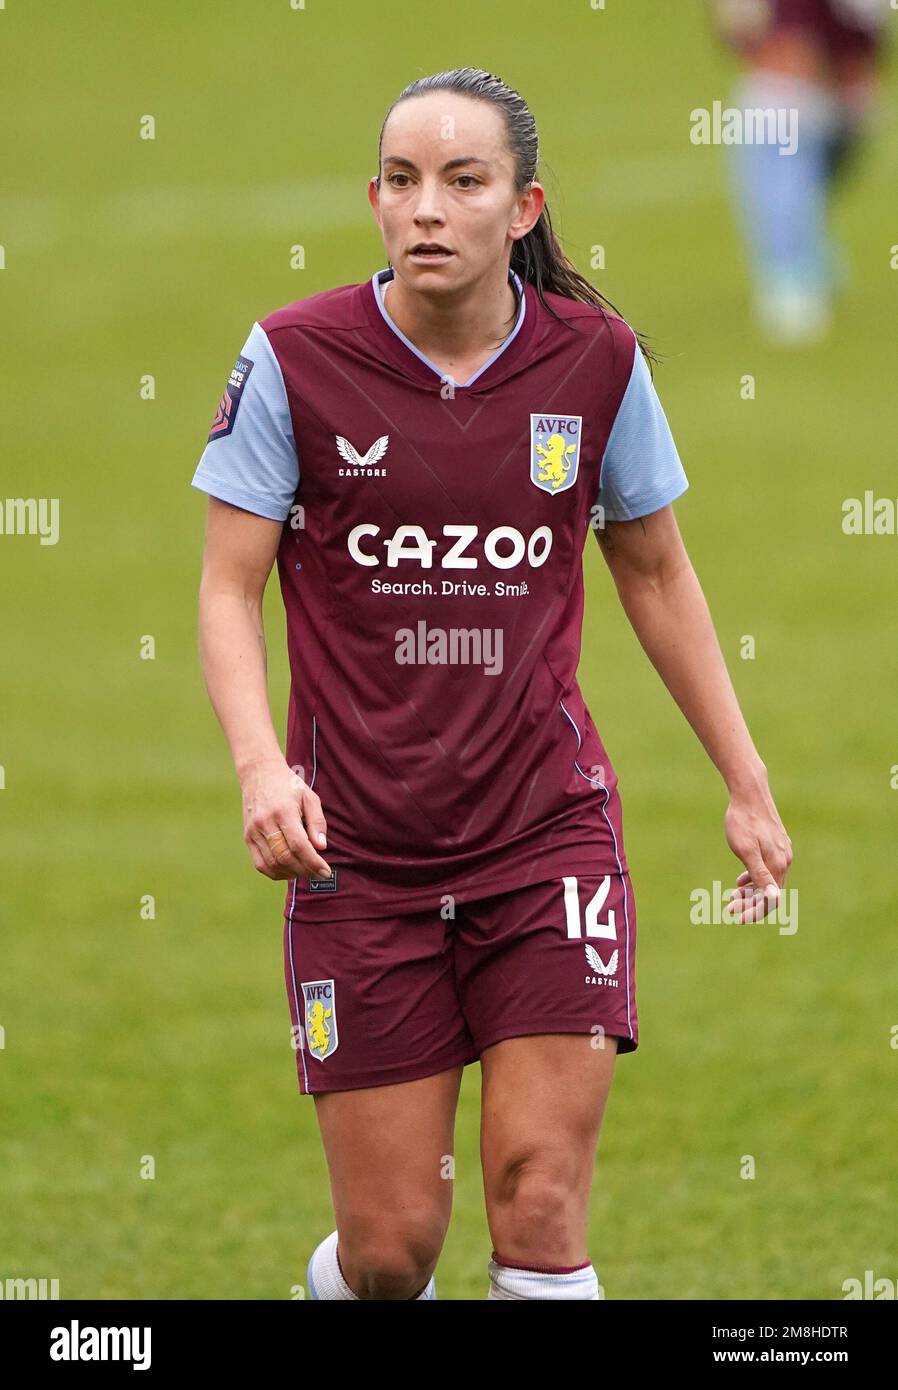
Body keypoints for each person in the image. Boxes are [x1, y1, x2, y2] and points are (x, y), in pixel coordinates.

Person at [191, 67, 792, 1301]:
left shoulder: (596, 364)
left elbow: (657, 571)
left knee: (538, 1195)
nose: (427, 208)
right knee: (391, 1250)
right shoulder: (293, 359)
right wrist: (261, 767)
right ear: (372, 199)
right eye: (403, 181)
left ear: (523, 209)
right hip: (356, 856)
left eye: (463, 182)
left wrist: (745, 780)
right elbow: (225, 588)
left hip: (544, 836)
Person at [711, 0, 890, 341]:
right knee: (791, 189)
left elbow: (772, 40)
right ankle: (808, 267)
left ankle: (795, 281)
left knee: (782, 190)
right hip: (829, 106)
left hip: (800, 105)